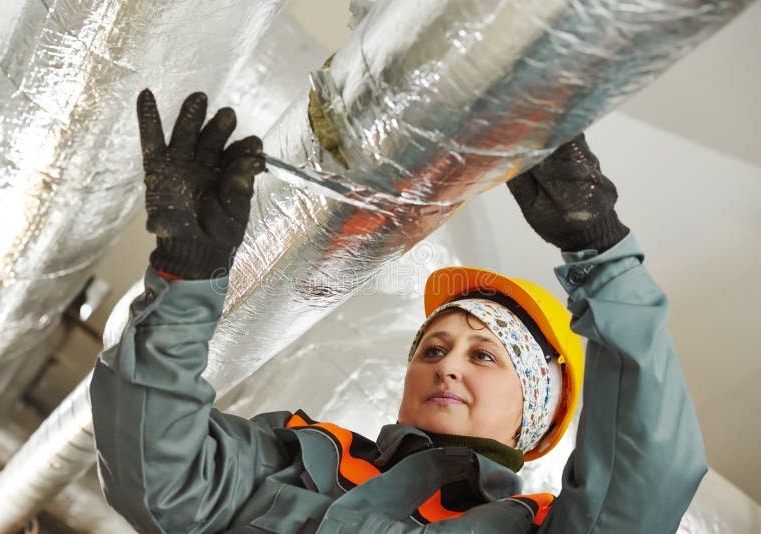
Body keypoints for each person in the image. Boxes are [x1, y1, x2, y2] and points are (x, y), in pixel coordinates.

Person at [90, 90, 707, 533]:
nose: (446, 367)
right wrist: (187, 277)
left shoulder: (537, 528)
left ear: (535, 414)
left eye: (485, 354)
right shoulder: (299, 456)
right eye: (433, 349)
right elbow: (157, 477)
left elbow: (644, 478)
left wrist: (601, 251)